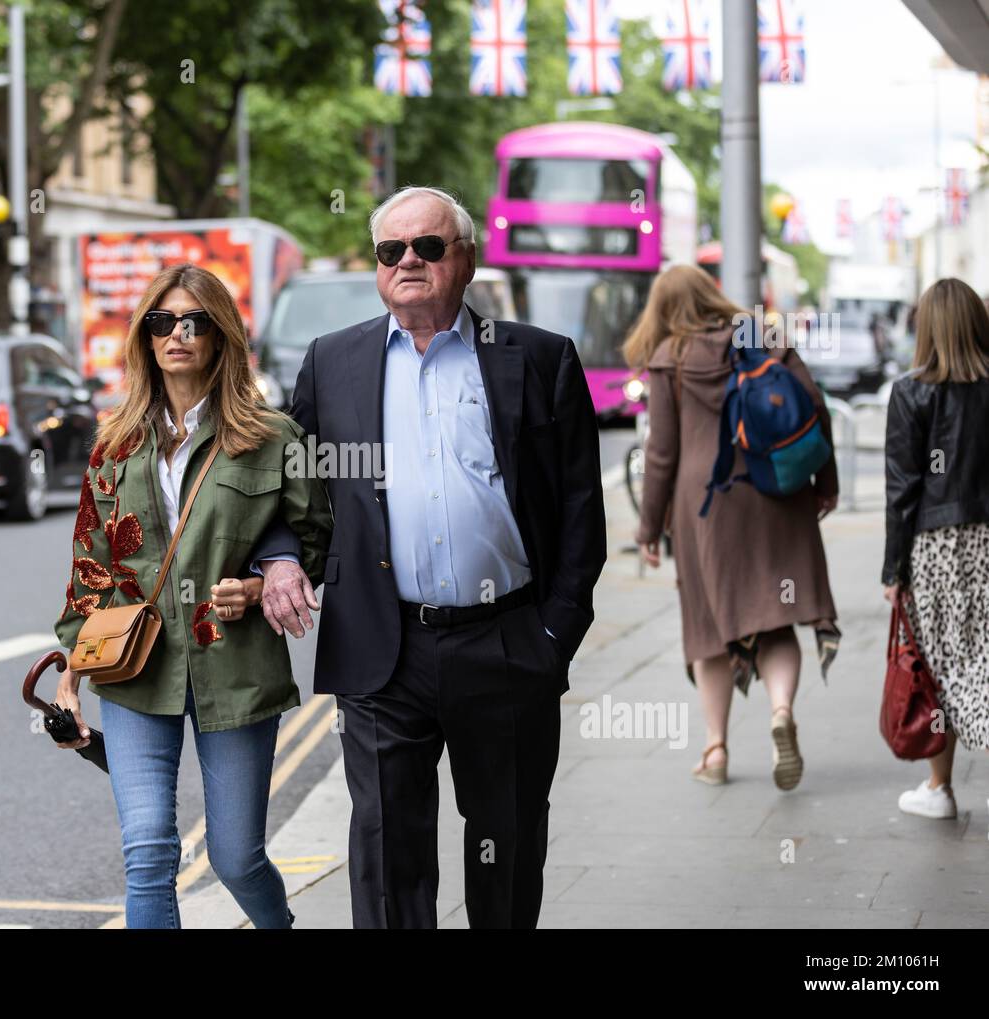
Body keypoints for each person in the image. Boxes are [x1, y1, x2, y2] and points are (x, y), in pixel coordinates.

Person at [256, 186, 607, 928]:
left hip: (507, 642)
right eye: (392, 250)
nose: (409, 261)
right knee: (388, 853)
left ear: (467, 259)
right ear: (378, 266)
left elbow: (580, 509)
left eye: (429, 246)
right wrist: (281, 561)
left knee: (504, 844)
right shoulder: (332, 361)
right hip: (382, 648)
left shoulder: (539, 360)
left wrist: (553, 636)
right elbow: (282, 487)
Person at [51, 263, 332, 929]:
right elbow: (92, 566)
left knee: (236, 858)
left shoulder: (272, 438)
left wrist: (266, 582)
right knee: (147, 852)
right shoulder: (113, 445)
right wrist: (72, 669)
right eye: (161, 321)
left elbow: (320, 538)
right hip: (133, 671)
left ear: (221, 336)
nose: (176, 333)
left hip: (232, 667)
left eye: (193, 321)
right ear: (145, 338)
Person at [627, 265, 841, 790]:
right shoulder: (760, 334)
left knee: (707, 628)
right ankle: (780, 711)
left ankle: (716, 748)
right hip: (776, 489)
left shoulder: (669, 358)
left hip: (705, 503)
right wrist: (825, 482)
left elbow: (661, 454)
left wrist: (648, 527)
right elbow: (815, 407)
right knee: (775, 615)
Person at [882, 277, 989, 824]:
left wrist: (892, 568)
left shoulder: (912, 392)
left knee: (945, 667)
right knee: (976, 658)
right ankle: (938, 787)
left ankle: (940, 790)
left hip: (938, 546)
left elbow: (904, 489)